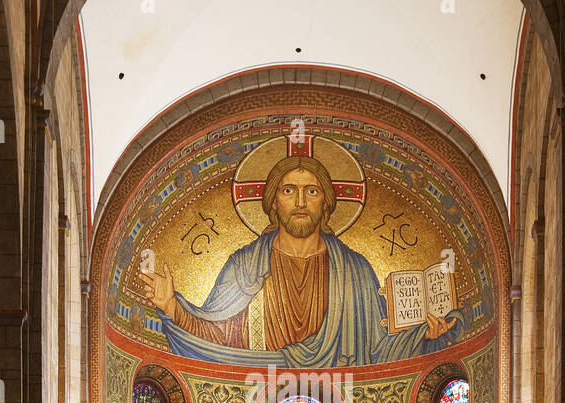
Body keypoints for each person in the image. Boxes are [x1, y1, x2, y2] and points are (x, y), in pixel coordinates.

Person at [140, 156, 462, 368]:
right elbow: (218, 334)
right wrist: (171, 307)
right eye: (289, 191)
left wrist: (423, 335)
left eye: (311, 192)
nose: (300, 202)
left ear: (326, 204)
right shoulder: (244, 266)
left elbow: (377, 349)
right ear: (272, 203)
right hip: (255, 394)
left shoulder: (356, 270)